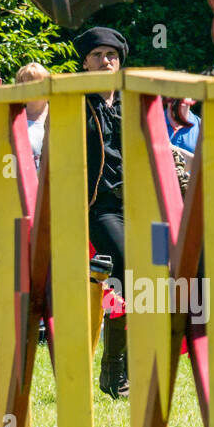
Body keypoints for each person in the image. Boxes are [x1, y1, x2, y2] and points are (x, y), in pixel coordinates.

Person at [76, 26, 130, 399]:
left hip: (136, 204)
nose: (105, 60)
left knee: (129, 283)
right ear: (85, 62)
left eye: (111, 55)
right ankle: (115, 369)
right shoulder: (76, 102)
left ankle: (117, 370)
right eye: (97, 55)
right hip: (97, 207)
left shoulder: (132, 101)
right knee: (128, 271)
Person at [14, 62, 50, 169]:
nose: (33, 88)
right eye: (27, 84)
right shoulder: (14, 118)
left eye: (38, 83)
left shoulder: (58, 115)